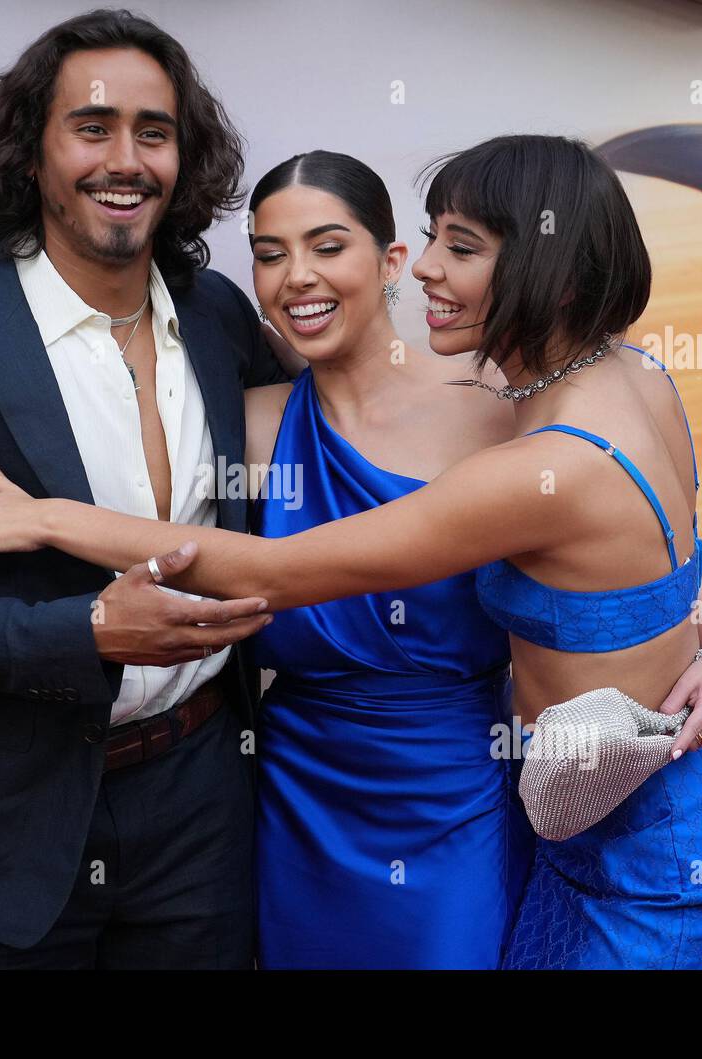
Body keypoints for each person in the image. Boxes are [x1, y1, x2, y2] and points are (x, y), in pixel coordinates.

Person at [0, 135, 702, 969]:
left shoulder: (522, 433)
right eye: (269, 254)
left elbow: (275, 573)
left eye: (458, 248)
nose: (299, 276)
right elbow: (662, 544)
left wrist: (50, 518)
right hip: (331, 803)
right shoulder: (622, 377)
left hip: (533, 817)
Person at [0, 9, 293, 970]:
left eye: (153, 132)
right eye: (92, 128)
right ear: (33, 151)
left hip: (206, 803)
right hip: (8, 821)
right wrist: (86, 633)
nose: (125, 160)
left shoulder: (220, 317)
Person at [240, 150, 532, 967]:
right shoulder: (250, 426)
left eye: (328, 246)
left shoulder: (494, 404)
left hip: (457, 799)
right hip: (296, 804)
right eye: (270, 255)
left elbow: (644, 526)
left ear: (393, 260)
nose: (298, 276)